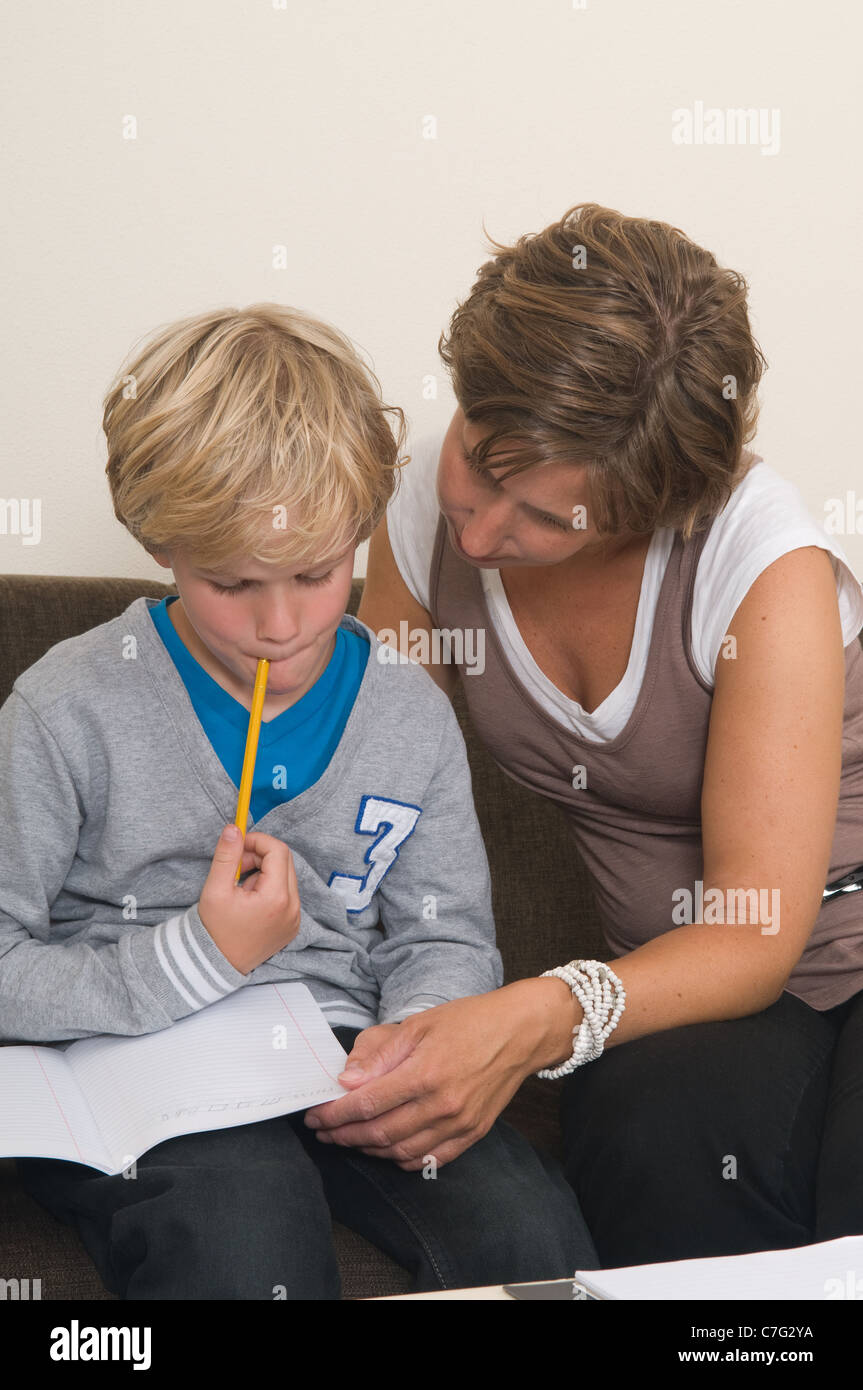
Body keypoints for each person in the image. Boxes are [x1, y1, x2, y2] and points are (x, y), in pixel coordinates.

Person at [306, 203, 863, 1269]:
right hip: (695, 985)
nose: (478, 531)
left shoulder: (761, 565)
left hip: (772, 945)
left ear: (658, 512)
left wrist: (533, 1012)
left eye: (547, 520)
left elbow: (753, 933)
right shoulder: (423, 514)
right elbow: (377, 800)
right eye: (479, 462)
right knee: (648, 1138)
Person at [4, 303, 599, 1299]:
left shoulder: (408, 715)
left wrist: (414, 1039)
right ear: (160, 544)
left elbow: (442, 934)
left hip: (338, 1056)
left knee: (526, 1225)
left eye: (317, 575)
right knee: (241, 1231)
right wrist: (200, 954)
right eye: (232, 582)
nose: (280, 624)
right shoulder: (67, 708)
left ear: (361, 531)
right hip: (137, 1064)